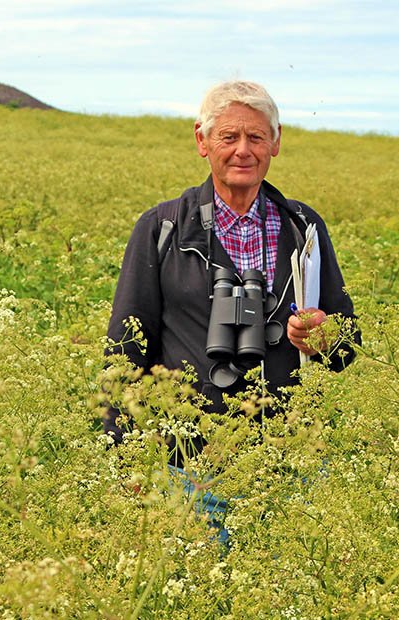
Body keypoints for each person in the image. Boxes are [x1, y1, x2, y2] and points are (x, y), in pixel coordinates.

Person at [104, 80, 359, 455]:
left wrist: (325, 337)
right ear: (202, 141)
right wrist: (122, 455)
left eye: (256, 137)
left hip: (287, 458)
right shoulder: (162, 228)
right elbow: (125, 349)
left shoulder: (303, 226)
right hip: (187, 462)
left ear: (276, 141)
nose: (243, 150)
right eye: (228, 137)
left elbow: (347, 344)